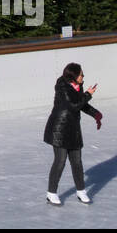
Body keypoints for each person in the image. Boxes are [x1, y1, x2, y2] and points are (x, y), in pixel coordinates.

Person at [43, 62, 101, 205]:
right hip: (59, 129)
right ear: (74, 76)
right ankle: (51, 193)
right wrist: (88, 94)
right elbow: (73, 105)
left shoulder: (78, 85)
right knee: (60, 160)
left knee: (77, 162)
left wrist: (96, 114)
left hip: (73, 129)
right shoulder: (62, 87)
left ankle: (81, 191)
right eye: (81, 74)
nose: (83, 76)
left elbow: (81, 103)